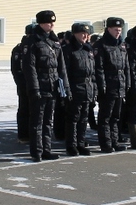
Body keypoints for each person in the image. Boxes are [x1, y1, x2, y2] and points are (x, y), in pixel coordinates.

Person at [23, 10, 70, 161]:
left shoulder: (54, 42)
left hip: (53, 86)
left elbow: (61, 68)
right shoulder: (33, 41)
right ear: (41, 23)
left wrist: (65, 88)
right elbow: (29, 67)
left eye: (53, 22)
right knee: (37, 121)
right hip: (40, 86)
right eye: (49, 22)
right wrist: (34, 88)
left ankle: (46, 149)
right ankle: (36, 151)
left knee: (48, 121)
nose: (52, 25)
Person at [94, 17, 130, 153]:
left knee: (116, 117)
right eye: (115, 30)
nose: (118, 32)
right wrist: (102, 86)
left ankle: (115, 141)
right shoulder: (101, 45)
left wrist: (127, 83)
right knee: (105, 117)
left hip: (119, 85)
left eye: (120, 30)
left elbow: (126, 67)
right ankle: (106, 143)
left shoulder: (121, 45)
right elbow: (99, 68)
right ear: (108, 29)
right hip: (108, 86)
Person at [63, 23, 96, 156]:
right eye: (82, 33)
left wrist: (94, 89)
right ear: (75, 34)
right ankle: (71, 145)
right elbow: (65, 72)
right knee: (73, 118)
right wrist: (67, 90)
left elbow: (92, 72)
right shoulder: (69, 50)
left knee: (84, 119)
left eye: (87, 34)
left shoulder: (88, 50)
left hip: (87, 88)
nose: (85, 36)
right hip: (75, 88)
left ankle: (81, 143)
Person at [10, 25, 33, 144]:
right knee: (24, 109)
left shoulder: (36, 47)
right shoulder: (19, 49)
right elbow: (15, 69)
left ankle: (34, 134)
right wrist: (21, 83)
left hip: (37, 85)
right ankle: (23, 135)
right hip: (24, 84)